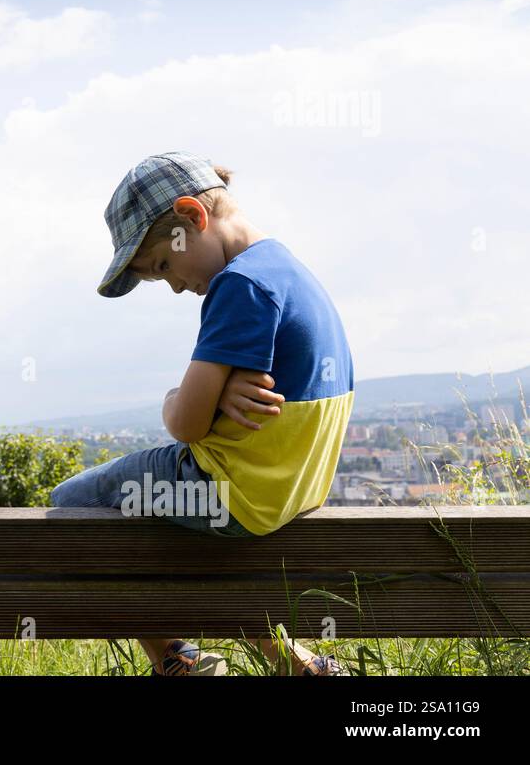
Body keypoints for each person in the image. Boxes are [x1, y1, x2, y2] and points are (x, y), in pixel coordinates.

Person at [48, 151, 353, 676]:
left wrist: (177, 397)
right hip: (294, 489)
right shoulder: (290, 271)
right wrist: (219, 396)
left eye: (163, 265)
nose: (172, 285)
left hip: (230, 493)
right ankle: (292, 661)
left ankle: (175, 658)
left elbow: (186, 424)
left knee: (72, 502)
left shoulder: (239, 284)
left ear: (192, 216)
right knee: (166, 516)